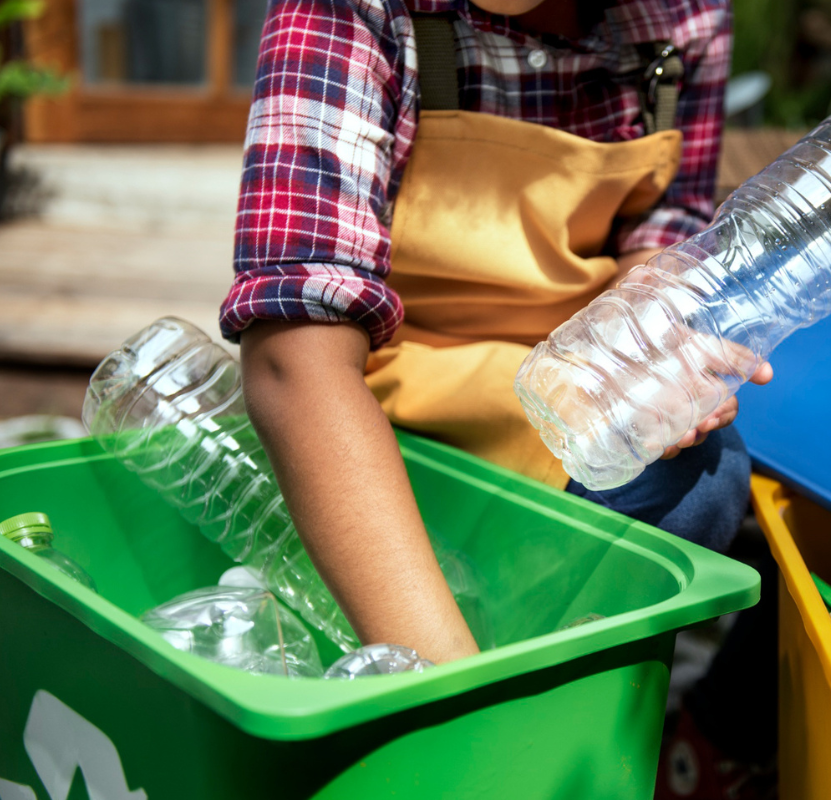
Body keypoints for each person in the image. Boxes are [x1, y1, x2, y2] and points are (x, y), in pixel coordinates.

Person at [221, 0, 773, 790]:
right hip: (379, 400)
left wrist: (653, 319)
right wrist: (460, 708)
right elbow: (293, 361)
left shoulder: (681, 16)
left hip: (558, 390)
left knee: (703, 479)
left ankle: (564, 726)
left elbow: (664, 224)